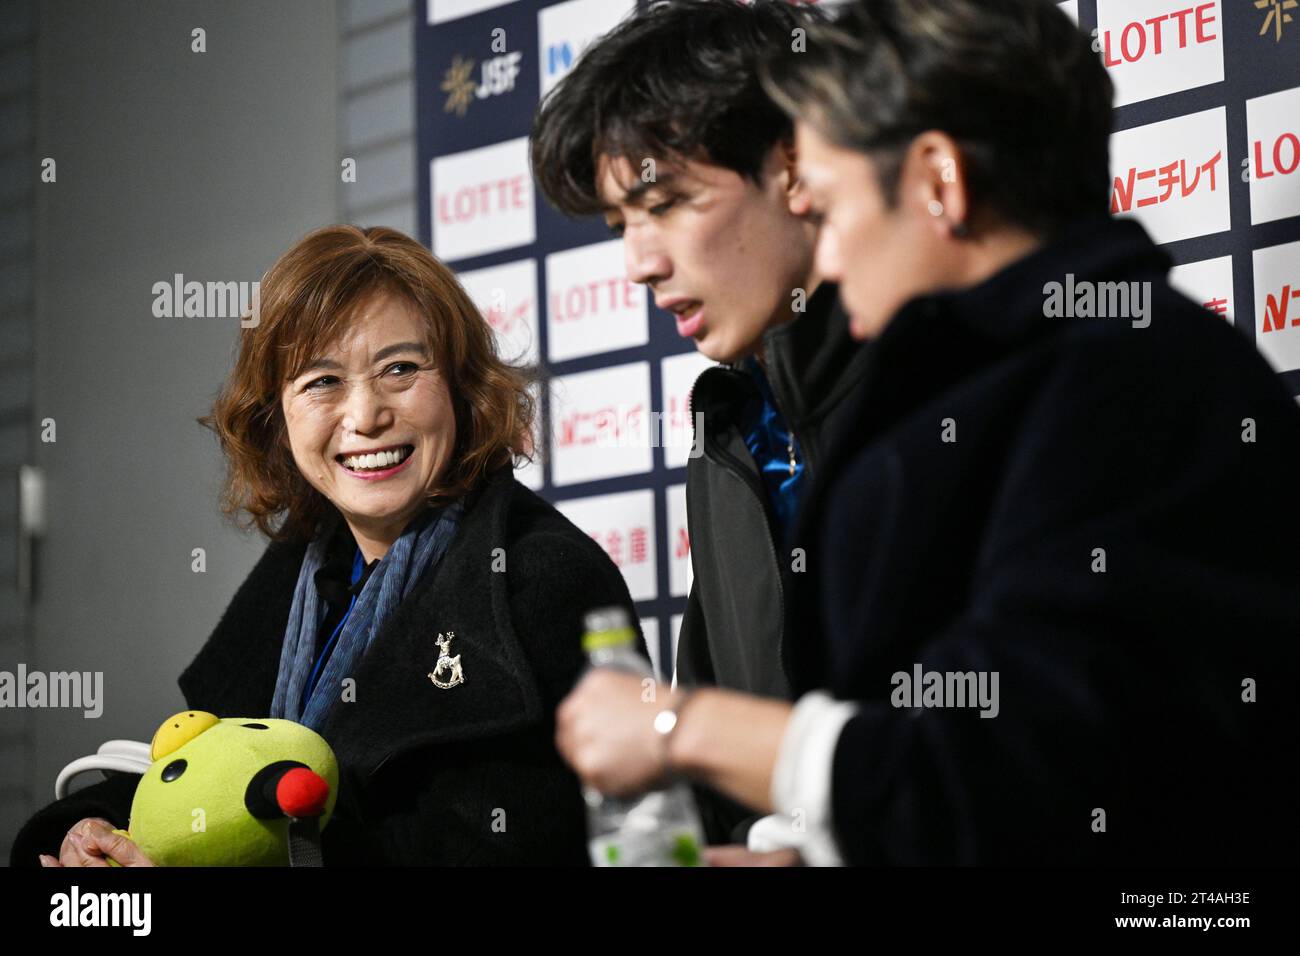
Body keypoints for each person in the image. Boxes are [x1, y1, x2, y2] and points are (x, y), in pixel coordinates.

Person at [554, 0, 1300, 865]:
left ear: (939, 182)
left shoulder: (1118, 377)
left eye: (828, 208)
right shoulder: (1063, 374)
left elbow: (1017, 773)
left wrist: (682, 727)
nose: (826, 258)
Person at [13, 224, 641, 867]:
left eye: (400, 368)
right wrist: (87, 831)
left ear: (460, 385)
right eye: (322, 381)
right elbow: (203, 775)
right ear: (276, 418)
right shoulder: (306, 562)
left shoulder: (539, 576)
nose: (365, 415)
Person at [530, 0, 869, 855]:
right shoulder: (729, 429)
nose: (639, 263)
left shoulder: (954, 402)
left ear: (796, 167)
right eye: (620, 225)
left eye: (667, 202)